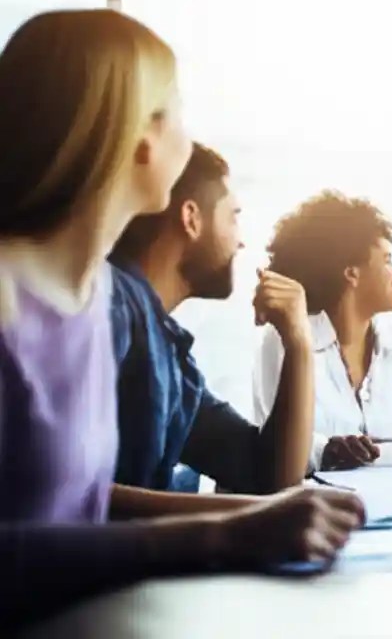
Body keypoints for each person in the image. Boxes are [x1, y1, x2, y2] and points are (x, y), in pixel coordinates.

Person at [0, 9, 362, 626]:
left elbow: (83, 509)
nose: (189, 138)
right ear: (138, 137)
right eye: (178, 113)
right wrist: (225, 534)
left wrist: (299, 341)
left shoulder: (90, 303)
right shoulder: (83, 303)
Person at [109, 142, 320, 516]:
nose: (241, 241)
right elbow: (69, 497)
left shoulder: (170, 354)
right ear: (191, 218)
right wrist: (229, 525)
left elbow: (268, 478)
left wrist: (299, 344)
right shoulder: (112, 305)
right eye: (233, 216)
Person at [253, 191, 392, 471]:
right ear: (352, 273)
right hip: (314, 507)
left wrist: (363, 452)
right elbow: (282, 448)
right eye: (387, 260)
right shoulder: (286, 339)